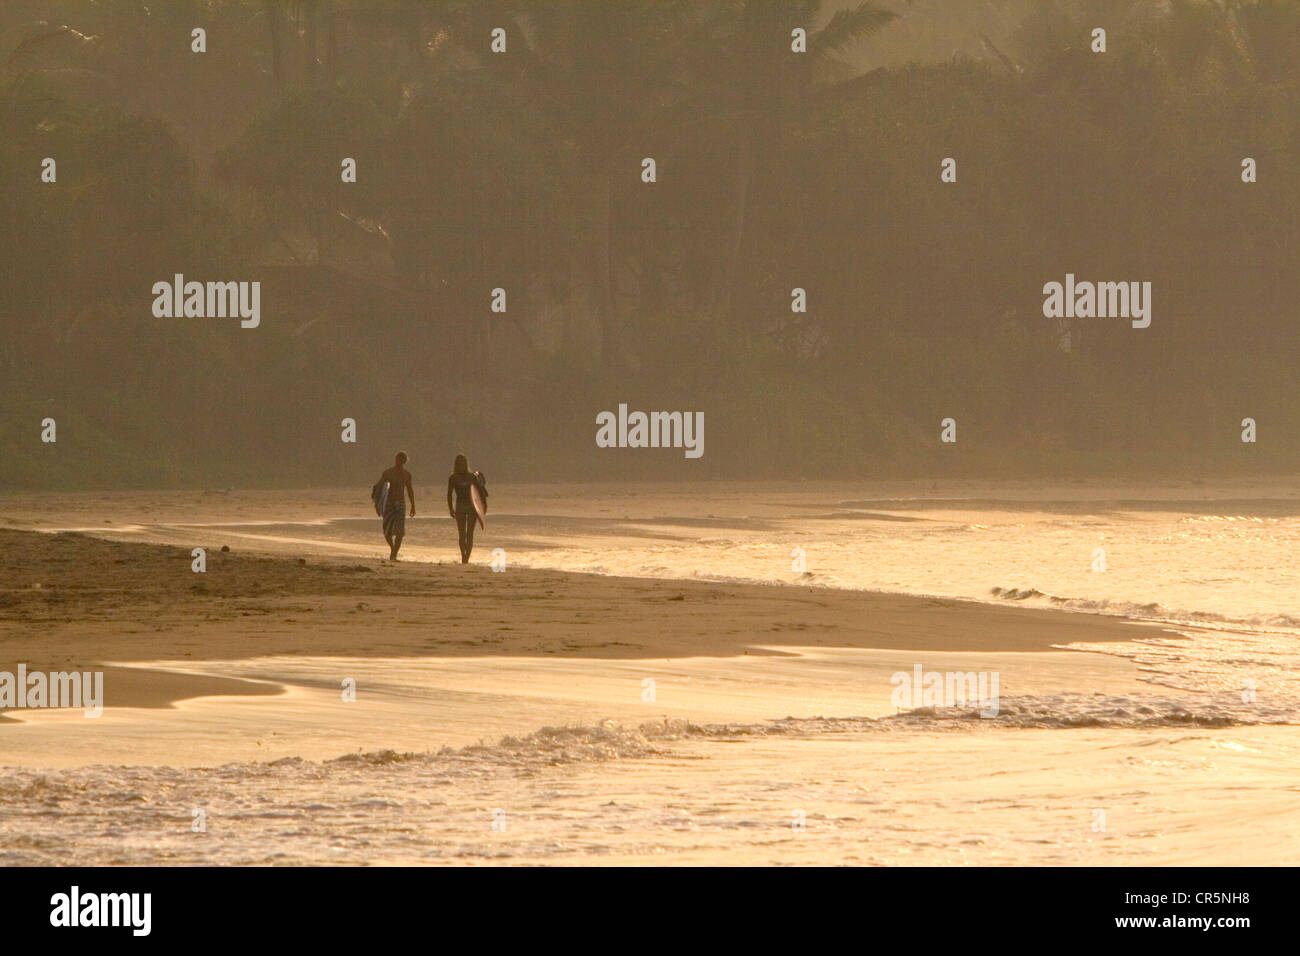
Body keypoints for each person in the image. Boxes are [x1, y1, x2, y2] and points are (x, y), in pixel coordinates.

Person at [446, 454, 485, 564]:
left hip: (472, 507)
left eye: (463, 463)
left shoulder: (472, 477)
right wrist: (450, 509)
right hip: (460, 507)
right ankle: (463, 555)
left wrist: (482, 508)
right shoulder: (453, 478)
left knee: (470, 534)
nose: (461, 465)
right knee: (462, 534)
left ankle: (466, 558)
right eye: (459, 463)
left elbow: (479, 493)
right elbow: (449, 495)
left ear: (466, 464)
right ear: (456, 465)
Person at [378, 451, 415, 561]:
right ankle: (393, 548)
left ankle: (393, 554)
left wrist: (413, 506)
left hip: (400, 504)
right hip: (388, 504)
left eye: (401, 460)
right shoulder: (387, 473)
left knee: (400, 532)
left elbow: (410, 490)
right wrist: (378, 504)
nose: (398, 461)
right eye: (397, 459)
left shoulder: (406, 475)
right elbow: (380, 488)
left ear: (404, 461)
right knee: (387, 531)